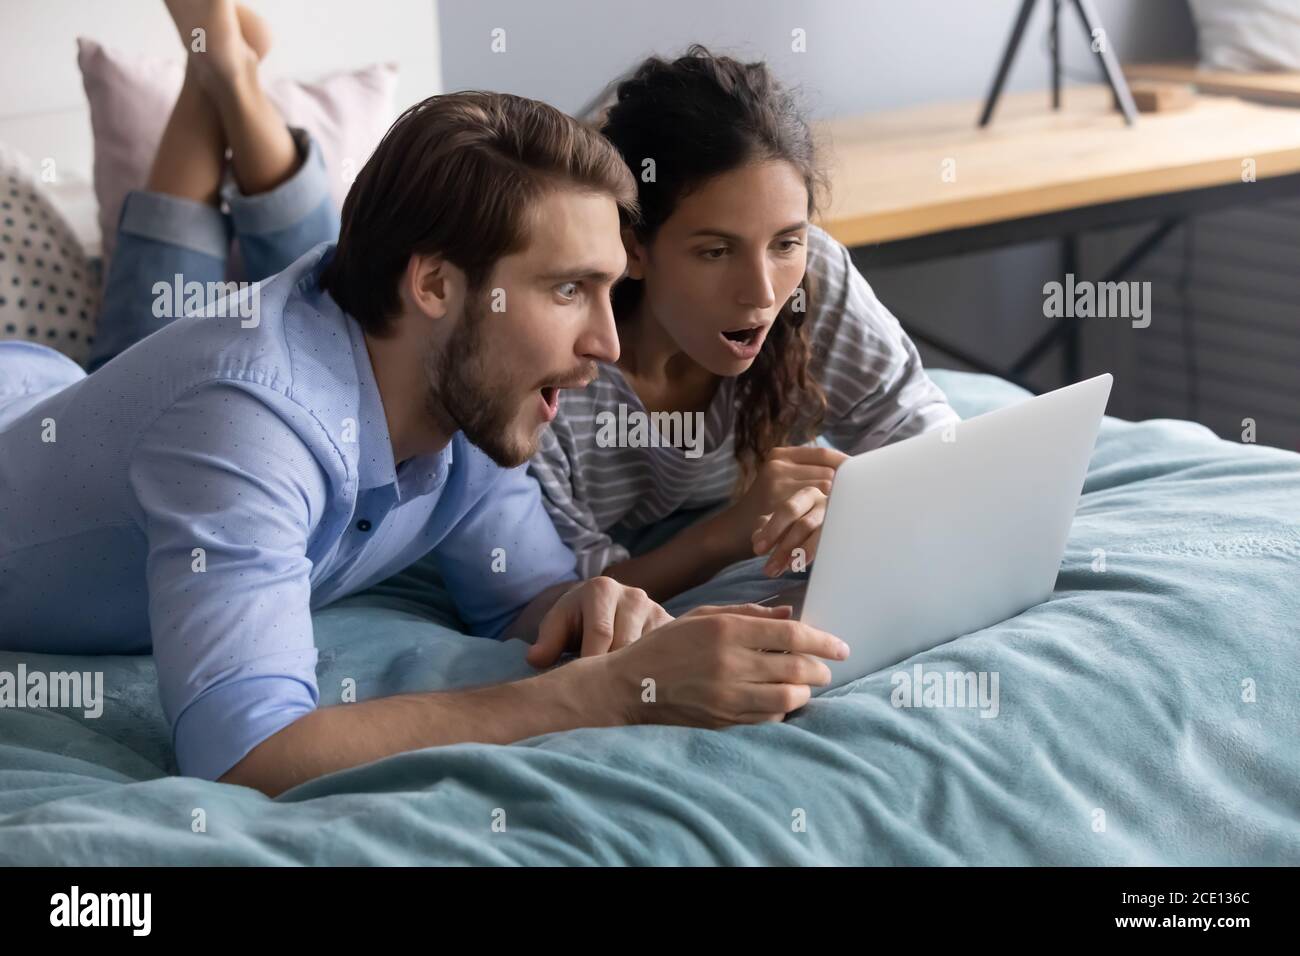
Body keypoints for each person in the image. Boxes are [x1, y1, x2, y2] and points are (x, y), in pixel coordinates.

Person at [0, 4, 848, 797]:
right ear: (436, 284)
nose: (610, 345)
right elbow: (245, 753)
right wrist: (604, 695)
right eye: (567, 291)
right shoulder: (247, 430)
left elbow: (519, 602)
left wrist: (599, 611)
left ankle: (215, 72)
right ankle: (216, 70)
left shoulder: (476, 395)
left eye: (608, 290)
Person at [527, 47, 960, 609]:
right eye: (714, 251)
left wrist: (867, 504)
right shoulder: (555, 364)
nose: (761, 293)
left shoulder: (812, 279)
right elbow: (554, 601)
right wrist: (726, 535)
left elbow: (922, 430)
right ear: (633, 249)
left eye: (786, 242)